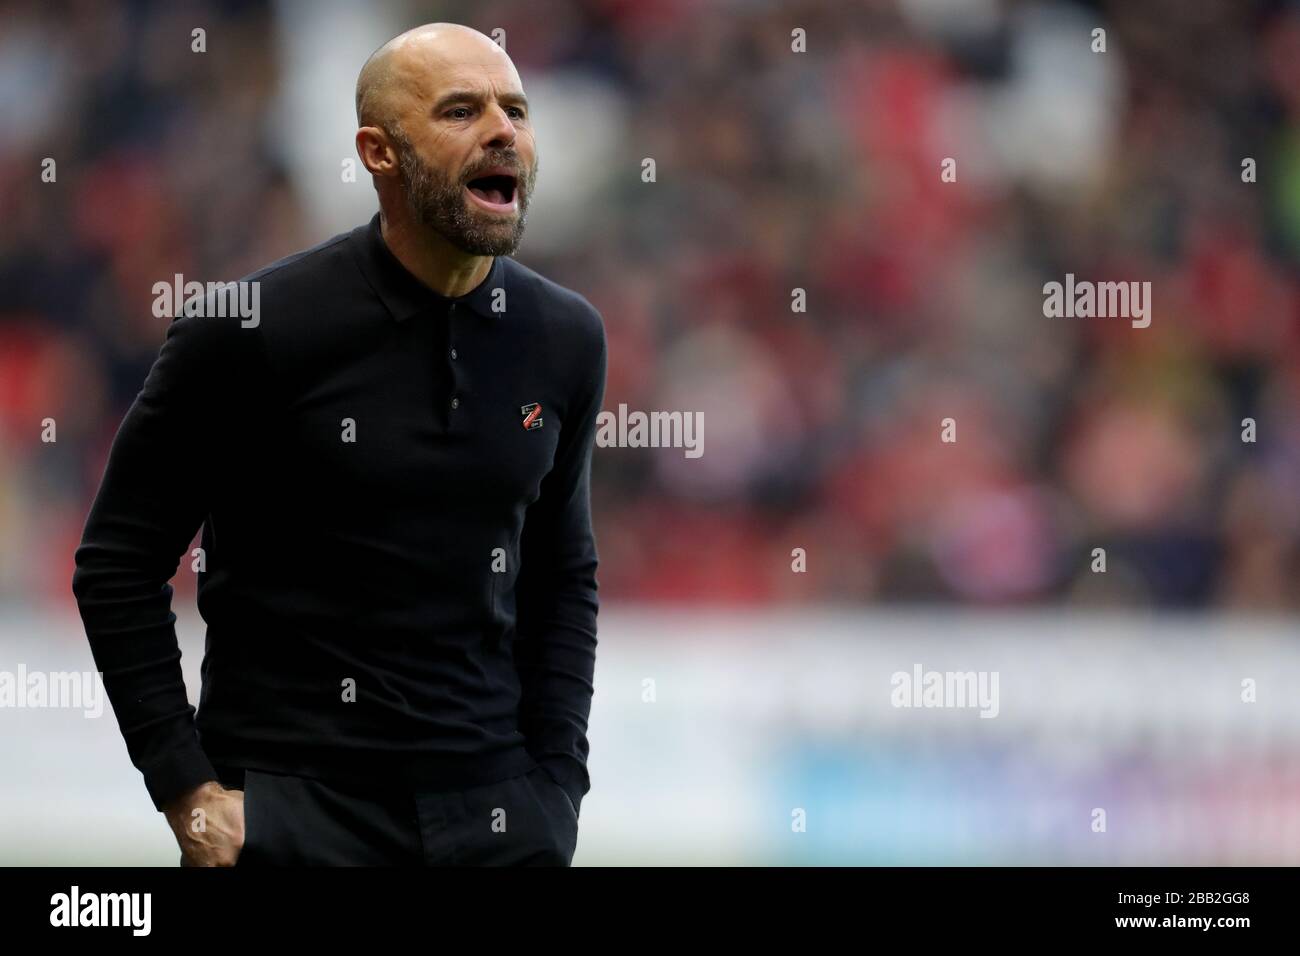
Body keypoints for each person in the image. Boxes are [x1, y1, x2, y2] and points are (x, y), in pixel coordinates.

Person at [71, 22, 606, 866]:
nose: (503, 130)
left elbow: (561, 575)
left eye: (517, 110)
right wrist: (189, 793)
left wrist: (556, 790)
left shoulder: (565, 338)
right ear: (378, 152)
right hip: (294, 817)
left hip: (498, 817)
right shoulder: (249, 331)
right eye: (462, 111)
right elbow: (117, 565)